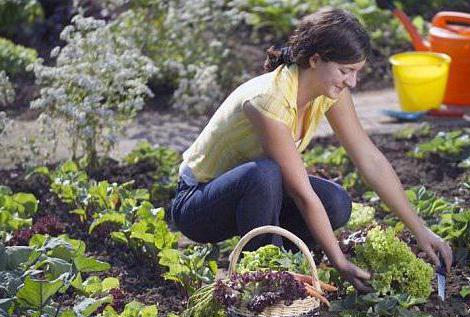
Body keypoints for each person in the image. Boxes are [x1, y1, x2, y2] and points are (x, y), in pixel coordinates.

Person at [171, 8, 452, 293]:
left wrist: (420, 230)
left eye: (356, 72)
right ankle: (268, 278)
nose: (351, 82)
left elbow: (371, 160)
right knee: (266, 173)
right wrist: (338, 260)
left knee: (336, 202)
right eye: (345, 71)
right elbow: (301, 194)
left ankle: (286, 264)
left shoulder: (329, 93)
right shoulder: (269, 100)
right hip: (198, 204)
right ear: (315, 60)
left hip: (252, 196)